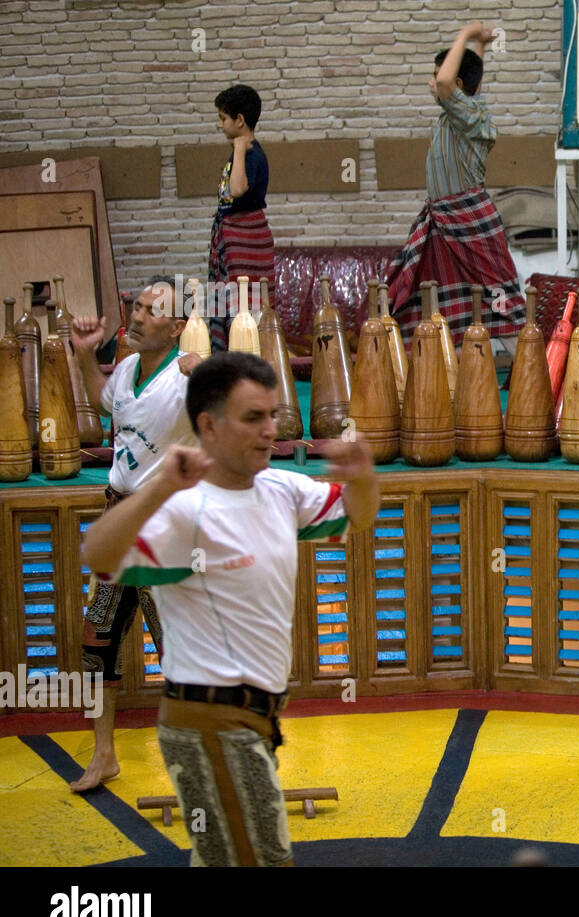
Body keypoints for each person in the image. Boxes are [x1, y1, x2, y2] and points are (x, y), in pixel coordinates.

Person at [81, 352, 379, 865]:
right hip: (208, 723)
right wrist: (158, 489)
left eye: (271, 415)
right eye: (252, 418)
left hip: (253, 721)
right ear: (208, 426)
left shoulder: (283, 490)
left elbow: (358, 513)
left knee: (223, 858)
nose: (270, 430)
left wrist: (364, 477)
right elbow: (99, 554)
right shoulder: (184, 511)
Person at [66, 278, 202, 792]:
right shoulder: (124, 368)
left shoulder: (188, 378)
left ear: (175, 327)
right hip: (118, 520)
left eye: (152, 311)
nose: (139, 317)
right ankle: (104, 756)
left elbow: (251, 402)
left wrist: (208, 370)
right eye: (137, 307)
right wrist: (84, 355)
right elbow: (108, 405)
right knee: (95, 641)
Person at [387, 19, 525, 346]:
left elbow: (453, 81)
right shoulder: (460, 112)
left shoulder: (469, 116)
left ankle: (529, 363)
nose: (432, 83)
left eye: (435, 76)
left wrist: (466, 33)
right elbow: (469, 80)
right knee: (437, 291)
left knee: (497, 290)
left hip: (468, 217)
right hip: (442, 221)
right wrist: (481, 47)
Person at [209, 84, 274, 350]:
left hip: (246, 240)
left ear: (240, 120)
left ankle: (246, 362)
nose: (219, 125)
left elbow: (236, 190)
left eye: (223, 118)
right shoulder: (243, 152)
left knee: (245, 309)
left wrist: (238, 147)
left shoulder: (251, 154)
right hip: (231, 239)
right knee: (229, 304)